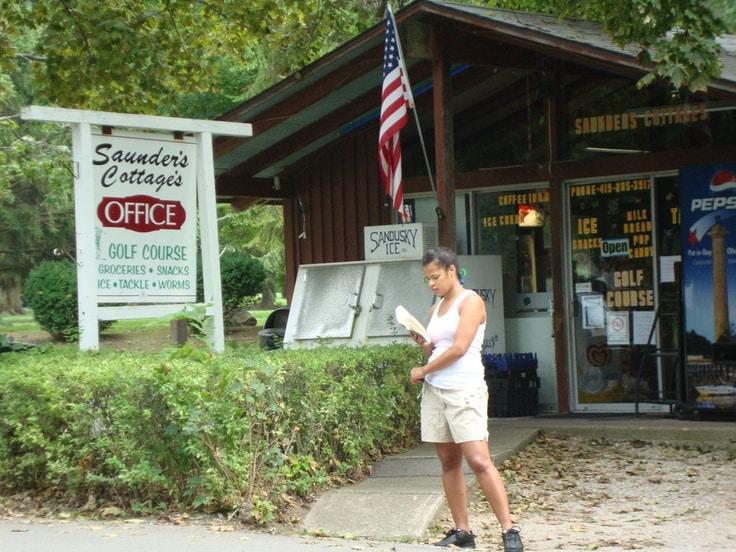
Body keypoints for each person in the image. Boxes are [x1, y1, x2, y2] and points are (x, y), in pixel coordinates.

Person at [409, 247, 523, 552]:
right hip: (435, 391)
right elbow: (438, 350)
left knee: (478, 460)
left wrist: (422, 369)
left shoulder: (471, 301)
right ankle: (462, 531)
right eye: (427, 279)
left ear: (451, 270)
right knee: (449, 461)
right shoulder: (435, 308)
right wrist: (425, 345)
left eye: (435, 277)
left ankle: (509, 529)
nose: (431, 284)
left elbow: (459, 348)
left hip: (465, 389)